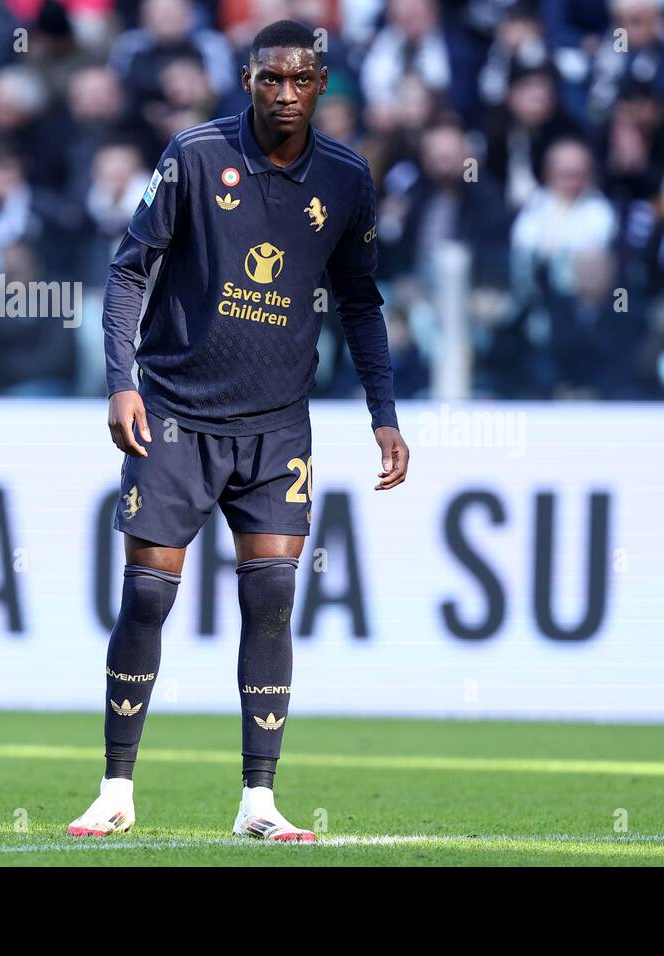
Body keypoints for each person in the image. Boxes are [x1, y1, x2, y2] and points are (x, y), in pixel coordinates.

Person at [68, 19, 410, 842]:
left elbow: (361, 303)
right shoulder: (193, 155)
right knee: (147, 595)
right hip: (177, 414)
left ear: (322, 83)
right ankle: (117, 785)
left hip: (276, 426)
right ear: (248, 78)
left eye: (299, 80)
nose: (283, 94)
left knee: (272, 599)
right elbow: (126, 272)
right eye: (269, 79)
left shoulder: (347, 179)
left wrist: (384, 413)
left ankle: (258, 798)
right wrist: (122, 386)